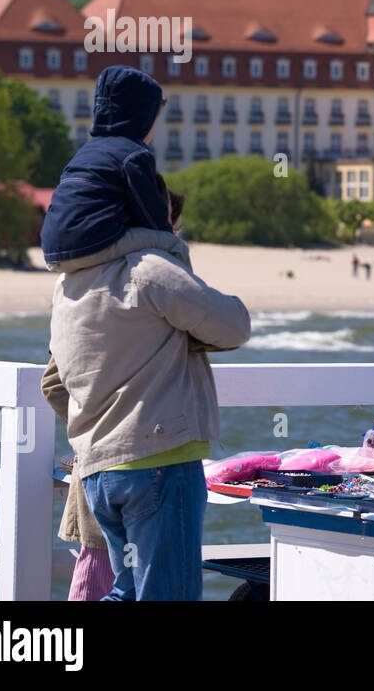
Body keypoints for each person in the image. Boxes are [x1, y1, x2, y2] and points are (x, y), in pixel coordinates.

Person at [48, 171, 250, 601]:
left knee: (126, 591)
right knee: (167, 593)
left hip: (100, 469)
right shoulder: (150, 269)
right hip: (158, 460)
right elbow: (234, 325)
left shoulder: (71, 282)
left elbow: (56, 378)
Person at [41, 66, 172, 264]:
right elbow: (152, 218)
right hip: (91, 244)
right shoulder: (134, 154)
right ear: (143, 116)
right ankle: (191, 294)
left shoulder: (85, 152)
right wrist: (168, 233)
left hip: (52, 250)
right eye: (156, 118)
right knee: (172, 243)